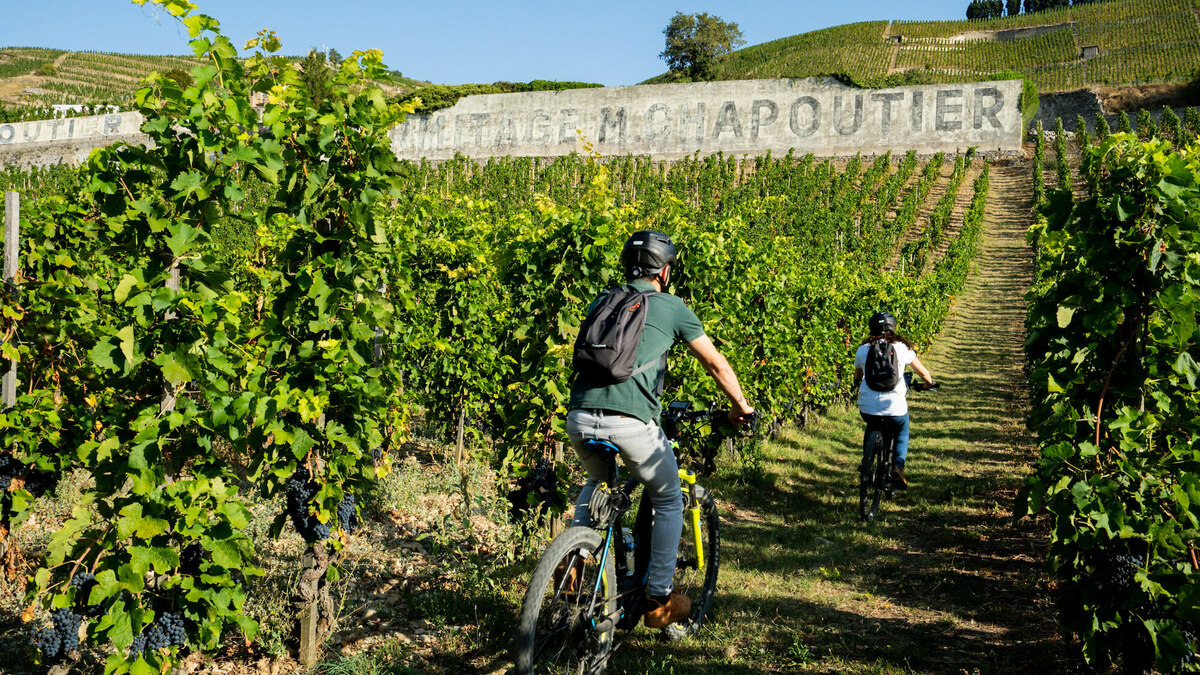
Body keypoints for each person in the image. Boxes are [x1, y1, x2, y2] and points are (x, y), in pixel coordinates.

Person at [565, 230, 755, 629]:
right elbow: (715, 364)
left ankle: (571, 565)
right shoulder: (671, 306)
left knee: (597, 483)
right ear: (665, 271)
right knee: (668, 498)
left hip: (580, 417)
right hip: (632, 424)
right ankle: (658, 600)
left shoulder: (604, 299)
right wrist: (741, 406)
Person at [852, 311, 936, 489]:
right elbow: (922, 372)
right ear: (893, 328)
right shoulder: (901, 348)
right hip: (895, 408)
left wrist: (856, 382)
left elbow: (858, 374)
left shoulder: (863, 349)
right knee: (902, 430)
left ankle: (866, 461)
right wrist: (930, 383)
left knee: (872, 424)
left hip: (867, 407)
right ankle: (898, 467)